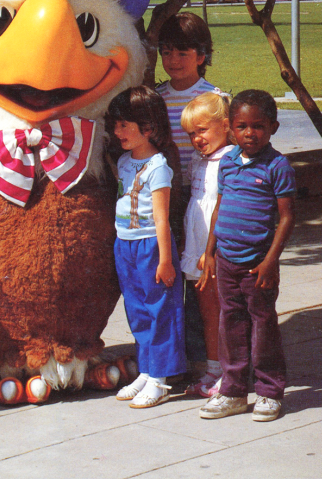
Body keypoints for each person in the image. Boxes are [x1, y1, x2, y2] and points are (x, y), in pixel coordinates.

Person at [198, 90, 296, 422]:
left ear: (273, 127)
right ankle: (233, 391)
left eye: (258, 126)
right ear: (230, 127)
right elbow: (219, 208)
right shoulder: (227, 163)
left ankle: (269, 391)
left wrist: (270, 261)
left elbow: (287, 217)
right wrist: (209, 253)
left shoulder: (277, 166)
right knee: (231, 324)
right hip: (226, 261)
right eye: (242, 126)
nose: (249, 133)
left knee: (263, 325)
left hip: (258, 265)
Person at [106, 86, 185, 409]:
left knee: (160, 311)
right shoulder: (124, 161)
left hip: (152, 247)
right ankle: (146, 370)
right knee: (137, 310)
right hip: (125, 245)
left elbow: (162, 218)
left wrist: (165, 261)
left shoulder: (158, 167)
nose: (117, 131)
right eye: (116, 124)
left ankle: (160, 379)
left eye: (125, 125)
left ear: (149, 128)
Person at [155, 11, 225, 373]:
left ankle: (203, 356)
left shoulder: (215, 99)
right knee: (167, 274)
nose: (173, 60)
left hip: (202, 196)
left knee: (201, 277)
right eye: (166, 52)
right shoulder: (156, 97)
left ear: (201, 55)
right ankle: (171, 357)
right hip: (165, 195)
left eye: (183, 52)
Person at [179, 92, 234, 397]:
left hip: (216, 248)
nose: (197, 139)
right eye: (191, 134)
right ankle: (213, 368)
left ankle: (231, 370)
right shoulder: (197, 160)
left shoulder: (230, 160)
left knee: (225, 311)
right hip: (196, 245)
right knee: (207, 313)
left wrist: (211, 251)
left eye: (202, 130)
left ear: (225, 125)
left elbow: (223, 208)